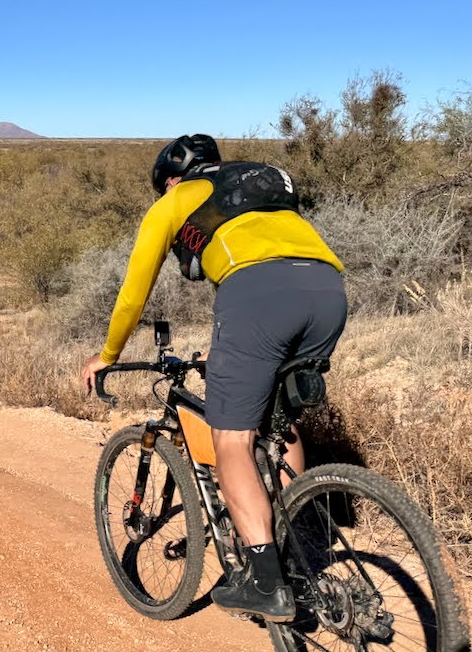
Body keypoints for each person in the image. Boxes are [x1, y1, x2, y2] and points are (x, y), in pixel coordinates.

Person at [79, 134, 347, 621]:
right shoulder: (251, 191)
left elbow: (132, 294)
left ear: (171, 180)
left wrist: (107, 354)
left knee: (232, 441)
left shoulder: (174, 201)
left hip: (258, 297)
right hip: (328, 292)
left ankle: (268, 582)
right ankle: (292, 539)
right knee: (278, 426)